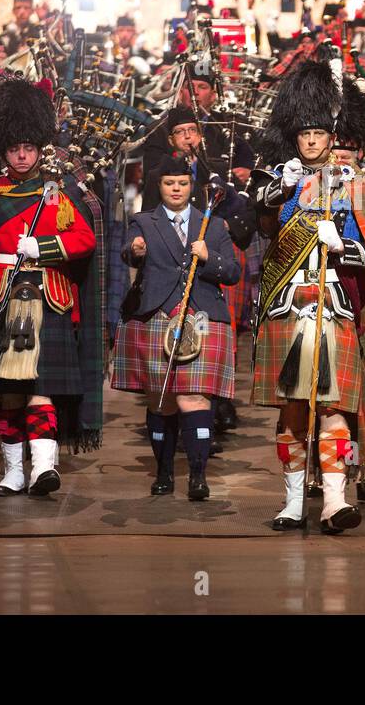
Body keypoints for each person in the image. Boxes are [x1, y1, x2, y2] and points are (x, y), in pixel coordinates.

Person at [248, 58, 365, 534]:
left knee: (335, 408)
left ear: (333, 136)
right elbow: (259, 225)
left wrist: (347, 245)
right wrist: (281, 191)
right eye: (304, 134)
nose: (312, 141)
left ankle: (335, 501)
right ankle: (293, 503)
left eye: (319, 133)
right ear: (294, 137)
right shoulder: (281, 181)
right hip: (288, 303)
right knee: (292, 408)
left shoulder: (357, 186)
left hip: (334, 304)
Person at [0, 76, 103, 497]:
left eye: (29, 148)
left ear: (39, 150)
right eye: (14, 148)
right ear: (3, 151)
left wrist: (44, 245)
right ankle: (14, 472)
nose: (21, 155)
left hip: (45, 295)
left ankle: (44, 470)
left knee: (42, 388)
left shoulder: (58, 193)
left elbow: (84, 241)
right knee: (9, 394)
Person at [112, 156, 241, 500]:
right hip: (154, 316)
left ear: (191, 186)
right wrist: (135, 251)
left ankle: (198, 477)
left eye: (182, 183)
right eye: (170, 183)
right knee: (161, 402)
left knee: (194, 399)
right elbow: (129, 251)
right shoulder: (144, 221)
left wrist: (208, 257)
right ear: (160, 186)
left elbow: (232, 272)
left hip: (202, 319)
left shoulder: (211, 226)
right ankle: (164, 472)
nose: (176, 189)